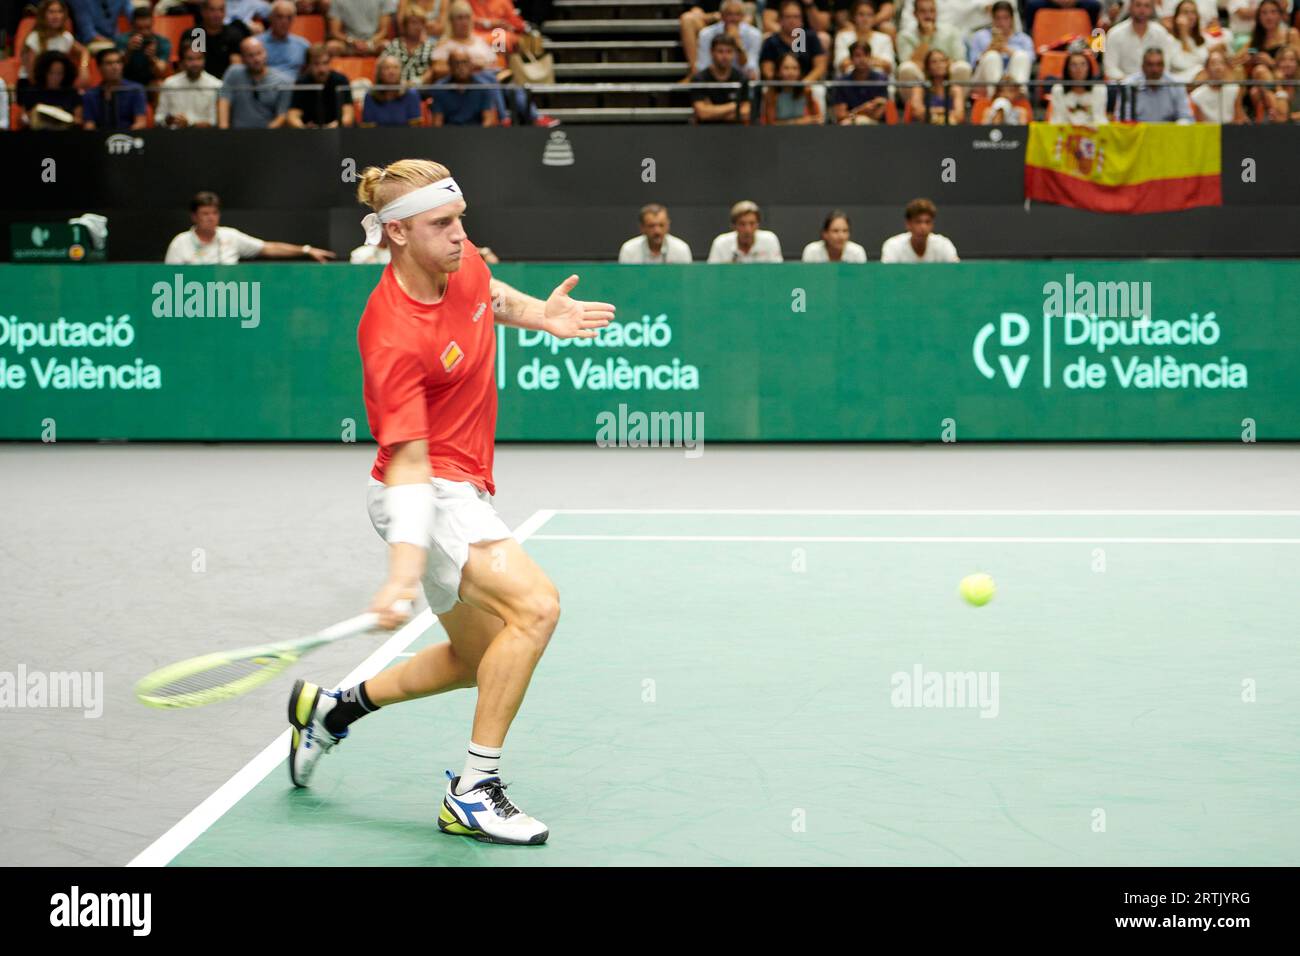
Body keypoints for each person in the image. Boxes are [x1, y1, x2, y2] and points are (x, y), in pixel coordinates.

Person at [285, 158, 616, 847]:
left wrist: (541, 317)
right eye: (443, 224)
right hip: (426, 490)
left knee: (478, 659)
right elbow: (406, 463)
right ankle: (473, 790)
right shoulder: (390, 332)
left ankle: (332, 711)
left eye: (461, 218)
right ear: (398, 233)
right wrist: (403, 572)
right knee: (537, 608)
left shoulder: (457, 262)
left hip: (462, 484)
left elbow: (488, 294)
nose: (461, 235)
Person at [164, 190, 336, 263]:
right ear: (194, 216)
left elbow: (268, 248)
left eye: (214, 213)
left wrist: (306, 250)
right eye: (205, 214)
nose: (210, 218)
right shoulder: (180, 243)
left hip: (229, 302)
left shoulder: (230, 236)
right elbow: (167, 281)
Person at [967, 1, 1034, 96]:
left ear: (1012, 19)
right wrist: (990, 50)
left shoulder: (1024, 39)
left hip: (1011, 80)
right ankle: (996, 96)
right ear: (992, 19)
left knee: (1021, 56)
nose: (1001, 22)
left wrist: (1006, 49)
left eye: (1005, 18)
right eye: (997, 18)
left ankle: (1019, 96)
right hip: (982, 82)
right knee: (992, 56)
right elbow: (973, 64)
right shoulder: (980, 36)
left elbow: (1030, 61)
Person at [1104, 0, 1174, 81]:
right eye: (1138, 5)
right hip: (1124, 86)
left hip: (1155, 84)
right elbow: (1110, 68)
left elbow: (1166, 65)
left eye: (1146, 6)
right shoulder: (1114, 34)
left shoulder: (1161, 33)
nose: (1142, 10)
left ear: (1152, 9)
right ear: (1130, 7)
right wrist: (1131, 82)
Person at [20, 0, 87, 84]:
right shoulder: (34, 38)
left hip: (55, 84)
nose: (56, 16)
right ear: (43, 15)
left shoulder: (66, 37)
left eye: (60, 12)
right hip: (32, 85)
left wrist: (84, 68)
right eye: (51, 12)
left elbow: (83, 51)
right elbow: (32, 75)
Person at [692, 0, 762, 81]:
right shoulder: (706, 34)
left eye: (738, 14)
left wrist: (738, 44)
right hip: (713, 80)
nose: (734, 18)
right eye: (729, 14)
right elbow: (703, 67)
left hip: (741, 81)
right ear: (721, 15)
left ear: (743, 16)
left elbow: (751, 71)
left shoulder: (754, 35)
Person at [287, 44, 355, 126]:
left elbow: (348, 115)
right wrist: (303, 127)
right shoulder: (302, 82)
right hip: (311, 134)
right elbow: (293, 115)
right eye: (316, 64)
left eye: (325, 63)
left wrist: (334, 126)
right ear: (308, 65)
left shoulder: (340, 80)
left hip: (338, 132)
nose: (322, 69)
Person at [182, 0, 253, 79]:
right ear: (203, 11)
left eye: (221, 10)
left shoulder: (234, 34)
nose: (217, 14)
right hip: (198, 81)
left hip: (226, 83)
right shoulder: (194, 34)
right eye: (212, 10)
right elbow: (188, 65)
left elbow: (236, 67)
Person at [690, 32, 751, 123]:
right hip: (706, 132)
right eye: (720, 51)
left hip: (735, 132)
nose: (725, 56)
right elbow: (702, 113)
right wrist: (735, 106)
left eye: (729, 51)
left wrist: (712, 110)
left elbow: (746, 113)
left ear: (734, 53)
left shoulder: (741, 78)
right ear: (711, 52)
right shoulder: (699, 79)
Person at [82, 47, 148, 129]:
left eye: (118, 62)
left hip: (128, 138)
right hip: (99, 138)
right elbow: (89, 125)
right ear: (99, 67)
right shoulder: (90, 94)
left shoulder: (135, 89)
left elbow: (140, 123)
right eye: (109, 63)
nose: (115, 67)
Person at [1120, 46, 1193, 120]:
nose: (1155, 70)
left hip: (1167, 130)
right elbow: (1124, 118)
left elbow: (1185, 116)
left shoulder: (1176, 85)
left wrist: (1181, 124)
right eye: (1150, 64)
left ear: (1164, 66)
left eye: (1159, 64)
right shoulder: (1129, 85)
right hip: (1138, 130)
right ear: (1143, 66)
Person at [428, 49, 498, 125]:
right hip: (449, 133)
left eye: (464, 62)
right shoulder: (440, 88)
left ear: (471, 64)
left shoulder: (483, 87)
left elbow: (488, 120)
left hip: (476, 133)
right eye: (456, 63)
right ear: (449, 65)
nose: (461, 67)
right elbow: (437, 122)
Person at [157, 46, 223, 127]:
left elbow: (214, 122)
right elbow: (158, 118)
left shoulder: (216, 85)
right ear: (182, 61)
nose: (195, 63)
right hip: (174, 135)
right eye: (190, 59)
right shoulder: (170, 83)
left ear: (205, 60)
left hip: (204, 136)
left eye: (199, 58)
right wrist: (168, 120)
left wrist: (189, 124)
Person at [880, 198, 960, 263]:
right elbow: (886, 277)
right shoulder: (892, 246)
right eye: (918, 222)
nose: (923, 227)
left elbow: (957, 273)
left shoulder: (944, 245)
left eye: (927, 222)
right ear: (908, 224)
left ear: (932, 224)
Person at [828, 38, 890, 123]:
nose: (862, 59)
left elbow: (877, 114)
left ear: (870, 57)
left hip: (876, 126)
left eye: (866, 55)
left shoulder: (880, 79)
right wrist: (860, 110)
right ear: (851, 59)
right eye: (858, 55)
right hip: (849, 124)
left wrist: (855, 114)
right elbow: (840, 116)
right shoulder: (842, 82)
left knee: (862, 121)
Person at [19, 49, 84, 128]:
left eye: (59, 73)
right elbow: (23, 119)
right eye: (51, 73)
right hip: (38, 136)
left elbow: (79, 121)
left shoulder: (72, 94)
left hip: (66, 136)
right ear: (44, 72)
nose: (55, 77)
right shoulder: (33, 92)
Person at [832, 1, 896, 77]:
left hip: (878, 84)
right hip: (850, 85)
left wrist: (856, 60)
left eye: (869, 15)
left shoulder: (884, 38)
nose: (865, 19)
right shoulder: (843, 37)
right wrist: (874, 61)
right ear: (853, 17)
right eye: (861, 14)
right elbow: (843, 64)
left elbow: (888, 66)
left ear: (874, 17)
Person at [707, 199, 783, 262]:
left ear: (758, 224)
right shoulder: (720, 243)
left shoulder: (770, 240)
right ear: (733, 226)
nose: (748, 230)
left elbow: (777, 273)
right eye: (742, 224)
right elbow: (712, 274)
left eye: (752, 223)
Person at [114, 7, 171, 88]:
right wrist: (128, 51)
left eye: (148, 28)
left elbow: (161, 72)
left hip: (151, 81)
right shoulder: (122, 40)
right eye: (139, 28)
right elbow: (116, 69)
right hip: (126, 80)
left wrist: (152, 58)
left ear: (153, 24)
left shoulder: (162, 42)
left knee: (159, 85)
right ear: (132, 26)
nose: (144, 32)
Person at [618, 203, 694, 263]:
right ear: (642, 227)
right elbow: (625, 280)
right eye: (651, 226)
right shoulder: (629, 250)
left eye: (661, 225)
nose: (657, 231)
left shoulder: (681, 249)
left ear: (668, 225)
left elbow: (686, 281)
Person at [1048, 48, 1108, 123]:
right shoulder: (1058, 89)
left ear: (1089, 68)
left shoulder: (1100, 89)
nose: (1079, 69)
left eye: (1083, 64)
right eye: (1074, 65)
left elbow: (1100, 119)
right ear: (1067, 69)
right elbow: (1057, 120)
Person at [763, 51, 824, 123]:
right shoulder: (771, 93)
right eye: (786, 68)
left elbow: (818, 119)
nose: (791, 72)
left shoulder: (806, 91)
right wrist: (797, 122)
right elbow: (770, 124)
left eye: (795, 68)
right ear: (778, 72)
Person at [908, 48, 964, 123]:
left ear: (947, 64)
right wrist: (943, 111)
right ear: (928, 66)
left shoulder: (955, 89)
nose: (939, 65)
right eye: (934, 62)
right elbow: (917, 112)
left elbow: (959, 115)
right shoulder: (919, 88)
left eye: (942, 61)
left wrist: (931, 111)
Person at [1190, 45, 1244, 121]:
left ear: (1226, 67)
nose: (1218, 67)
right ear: (1206, 68)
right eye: (1213, 63)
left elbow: (1239, 119)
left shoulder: (1235, 90)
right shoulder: (1196, 96)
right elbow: (1199, 125)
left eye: (1221, 63)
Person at [262, 1, 312, 80]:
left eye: (289, 18)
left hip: (294, 89)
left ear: (294, 20)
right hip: (266, 88)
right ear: (270, 18)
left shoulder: (303, 45)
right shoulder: (257, 44)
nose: (284, 21)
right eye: (279, 16)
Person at [330, 0, 398, 55]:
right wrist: (351, 41)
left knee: (387, 46)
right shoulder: (338, 1)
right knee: (333, 46)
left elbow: (384, 31)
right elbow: (335, 31)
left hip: (374, 42)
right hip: (348, 44)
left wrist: (369, 43)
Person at [1166, 0, 1209, 83]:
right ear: (1177, 17)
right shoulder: (1169, 40)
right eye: (1185, 12)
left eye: (1193, 12)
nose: (1190, 16)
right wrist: (1183, 34)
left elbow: (1202, 61)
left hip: (1201, 80)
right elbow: (1183, 64)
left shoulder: (1200, 39)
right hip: (1179, 81)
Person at [801, 210, 867, 261]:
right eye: (835, 231)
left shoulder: (857, 252)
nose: (841, 236)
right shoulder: (812, 251)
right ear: (825, 233)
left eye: (845, 231)